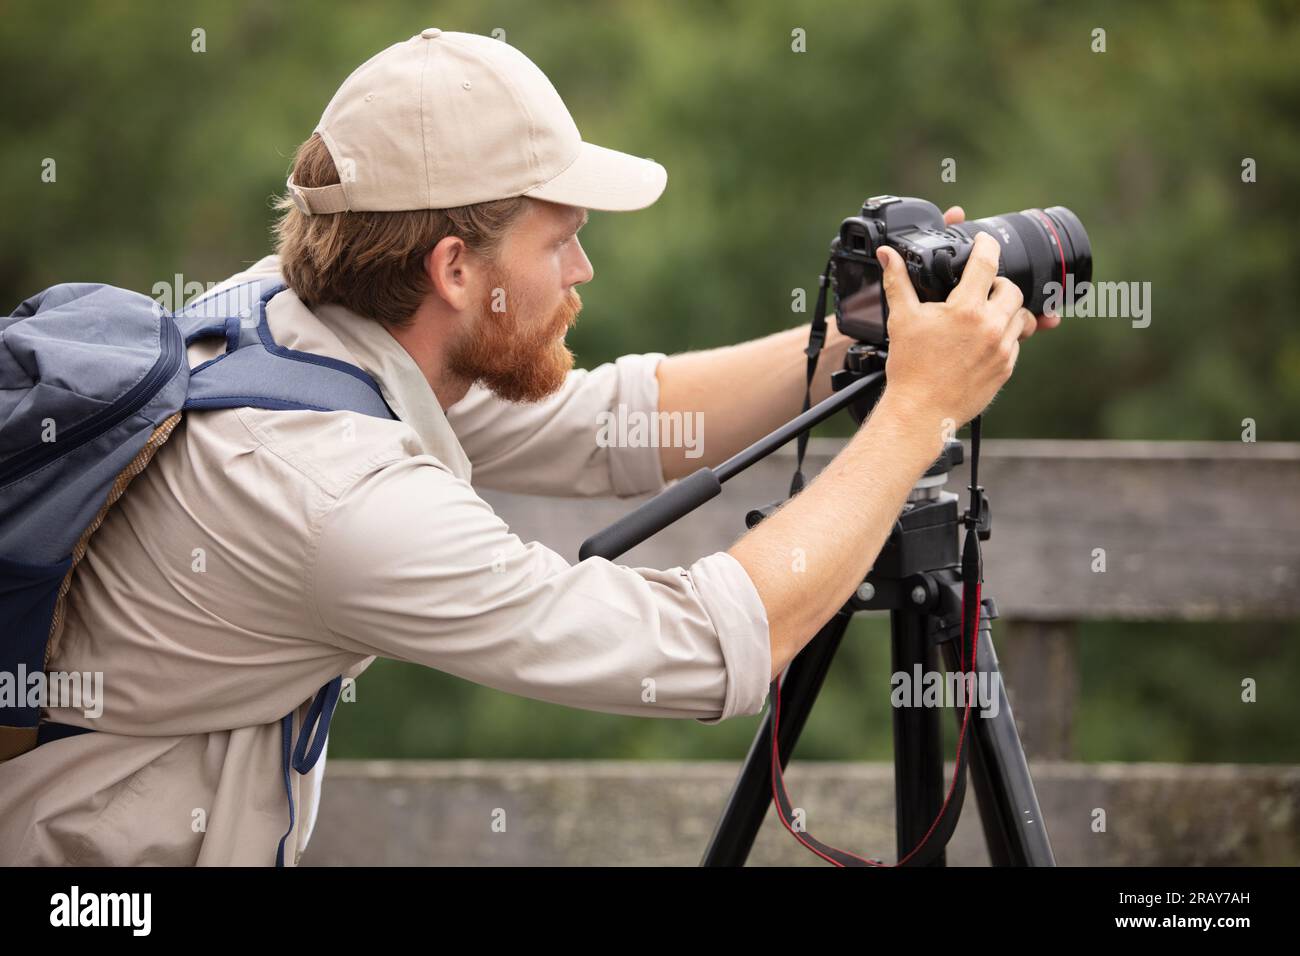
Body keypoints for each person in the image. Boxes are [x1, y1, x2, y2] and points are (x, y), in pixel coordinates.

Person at [0, 29, 1055, 865]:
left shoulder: (293, 317)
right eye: (560, 238)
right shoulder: (338, 498)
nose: (584, 268)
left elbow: (612, 423)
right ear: (456, 268)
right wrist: (919, 407)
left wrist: (874, 332)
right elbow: (700, 647)